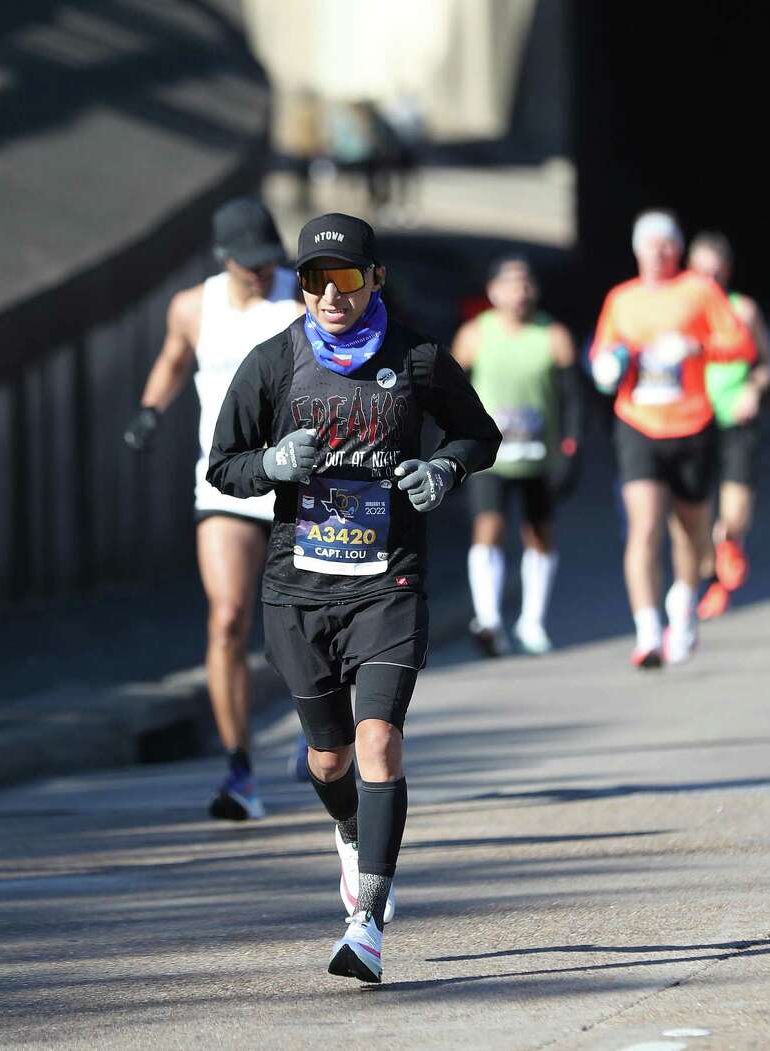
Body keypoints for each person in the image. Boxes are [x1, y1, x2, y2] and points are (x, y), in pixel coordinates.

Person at [207, 212, 500, 983]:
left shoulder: (419, 359)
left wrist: (444, 470)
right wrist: (271, 461)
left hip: (388, 582)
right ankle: (347, 825)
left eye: (344, 278)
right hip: (299, 589)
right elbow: (223, 465)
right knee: (328, 754)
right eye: (313, 280)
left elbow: (481, 435)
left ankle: (366, 917)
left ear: (375, 280)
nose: (330, 295)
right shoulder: (272, 364)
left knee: (378, 742)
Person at [123, 197, 303, 821]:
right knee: (227, 618)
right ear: (222, 257)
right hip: (224, 482)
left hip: (302, 484)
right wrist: (150, 411)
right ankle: (240, 772)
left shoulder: (302, 299)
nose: (261, 271)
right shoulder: (192, 307)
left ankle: (323, 732)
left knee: (309, 623)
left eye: (268, 260)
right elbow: (174, 360)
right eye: (248, 262)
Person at [590, 210, 756, 667]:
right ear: (637, 250)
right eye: (650, 244)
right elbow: (601, 353)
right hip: (637, 422)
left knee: (691, 530)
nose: (659, 252)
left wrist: (697, 348)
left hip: (692, 424)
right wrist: (607, 365)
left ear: (677, 249)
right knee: (643, 528)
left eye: (667, 244)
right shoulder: (621, 299)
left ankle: (682, 609)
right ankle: (647, 631)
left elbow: (741, 344)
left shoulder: (700, 292)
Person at [452, 256, 582, 656]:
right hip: (489, 457)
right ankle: (488, 619)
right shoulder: (474, 335)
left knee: (539, 534)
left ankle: (532, 621)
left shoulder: (554, 336)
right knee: (488, 527)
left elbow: (572, 398)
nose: (519, 292)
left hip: (539, 455)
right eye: (510, 284)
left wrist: (572, 446)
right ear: (492, 291)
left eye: (526, 284)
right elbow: (448, 395)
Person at [685, 232, 770, 620]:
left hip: (736, 420)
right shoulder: (680, 311)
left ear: (728, 273)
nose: (710, 282)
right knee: (698, 515)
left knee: (733, 515)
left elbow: (767, 364)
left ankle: (728, 552)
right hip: (692, 422)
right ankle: (712, 581)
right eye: (702, 273)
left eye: (716, 274)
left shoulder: (745, 311)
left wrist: (753, 389)